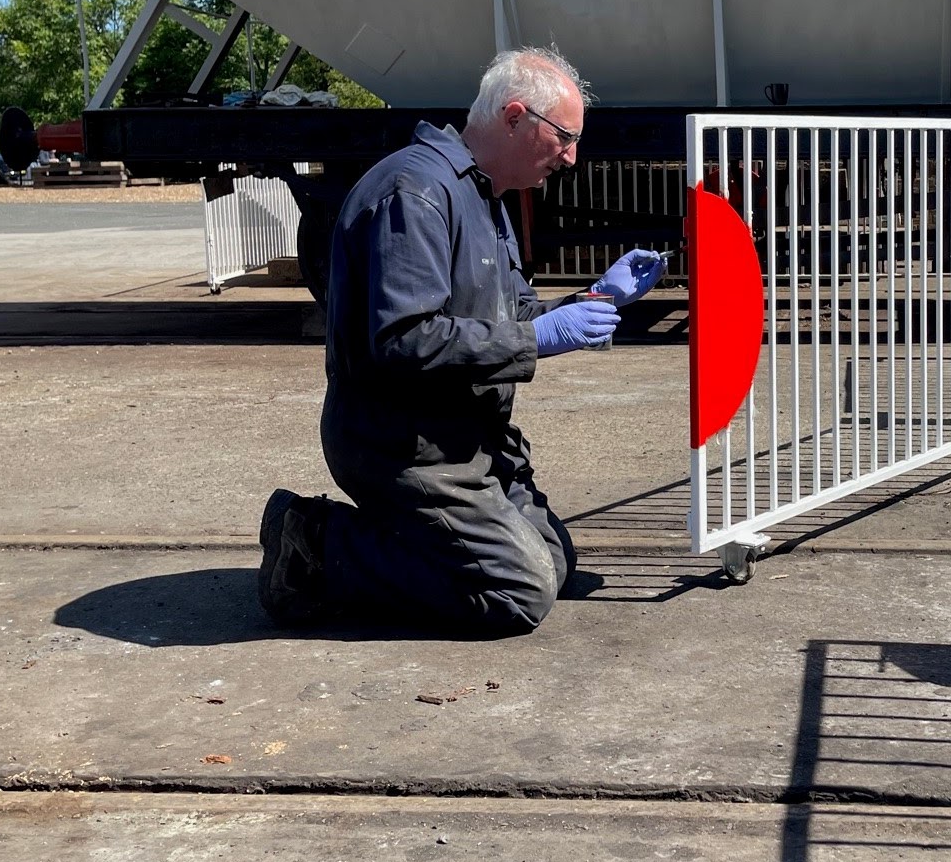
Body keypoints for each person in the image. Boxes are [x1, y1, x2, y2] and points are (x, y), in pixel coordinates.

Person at [258, 46, 666, 635]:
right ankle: (316, 543)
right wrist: (539, 338)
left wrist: (592, 301)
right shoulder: (414, 193)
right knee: (519, 591)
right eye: (564, 138)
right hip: (401, 443)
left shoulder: (483, 194)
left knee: (554, 562)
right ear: (515, 116)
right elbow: (403, 339)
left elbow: (512, 313)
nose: (572, 157)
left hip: (465, 437)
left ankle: (420, 542)